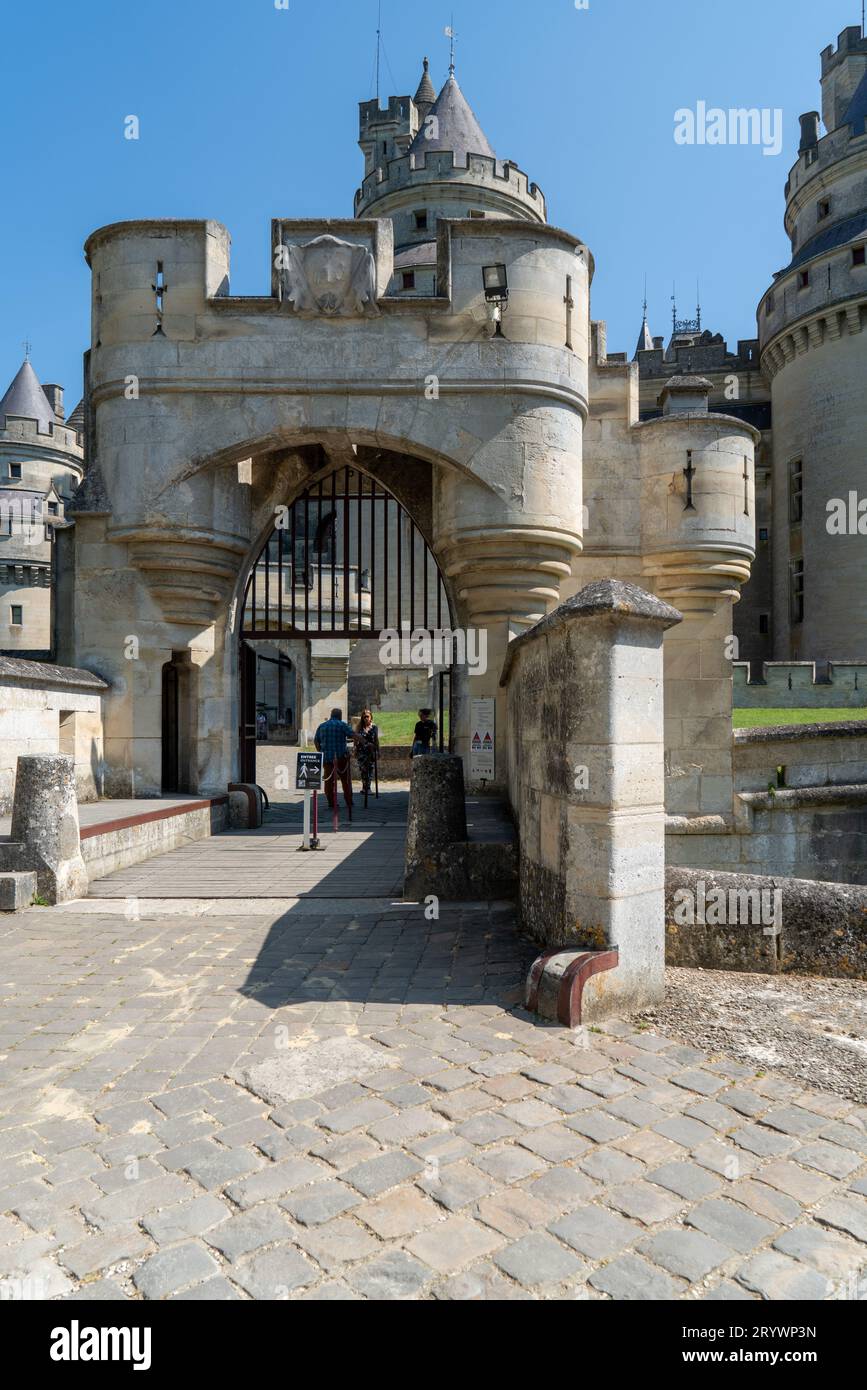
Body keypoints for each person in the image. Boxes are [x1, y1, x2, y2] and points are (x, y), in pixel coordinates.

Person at [314, 707, 355, 816]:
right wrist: (364, 741)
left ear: (331, 715)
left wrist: (321, 751)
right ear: (340, 716)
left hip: (327, 758)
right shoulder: (342, 725)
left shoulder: (322, 726)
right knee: (345, 781)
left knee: (328, 781)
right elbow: (353, 734)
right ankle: (349, 801)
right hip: (341, 758)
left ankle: (331, 802)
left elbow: (316, 741)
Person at [354, 708, 379, 797]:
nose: (366, 718)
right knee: (363, 770)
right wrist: (355, 749)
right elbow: (355, 739)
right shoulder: (359, 727)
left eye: (367, 716)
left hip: (371, 751)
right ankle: (366, 788)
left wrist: (378, 751)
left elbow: (376, 740)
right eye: (364, 717)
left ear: (371, 717)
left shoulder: (374, 727)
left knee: (370, 769)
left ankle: (366, 788)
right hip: (361, 752)